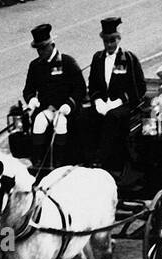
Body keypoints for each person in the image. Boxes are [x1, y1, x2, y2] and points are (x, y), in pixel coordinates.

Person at [85, 16, 146, 174]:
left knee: (112, 118)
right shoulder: (97, 58)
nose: (109, 45)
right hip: (103, 103)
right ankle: (86, 157)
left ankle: (103, 160)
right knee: (84, 116)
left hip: (125, 106)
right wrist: (97, 100)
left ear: (118, 39)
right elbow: (93, 85)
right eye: (106, 41)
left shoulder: (129, 59)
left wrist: (118, 101)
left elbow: (139, 88)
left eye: (112, 41)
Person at [22, 22, 86, 167]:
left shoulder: (67, 62)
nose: (41, 52)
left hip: (64, 109)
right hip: (46, 108)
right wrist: (31, 99)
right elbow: (28, 89)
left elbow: (80, 88)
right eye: (38, 49)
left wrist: (69, 105)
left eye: (43, 48)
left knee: (61, 124)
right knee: (38, 122)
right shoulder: (35, 66)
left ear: (52, 44)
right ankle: (38, 162)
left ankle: (59, 161)